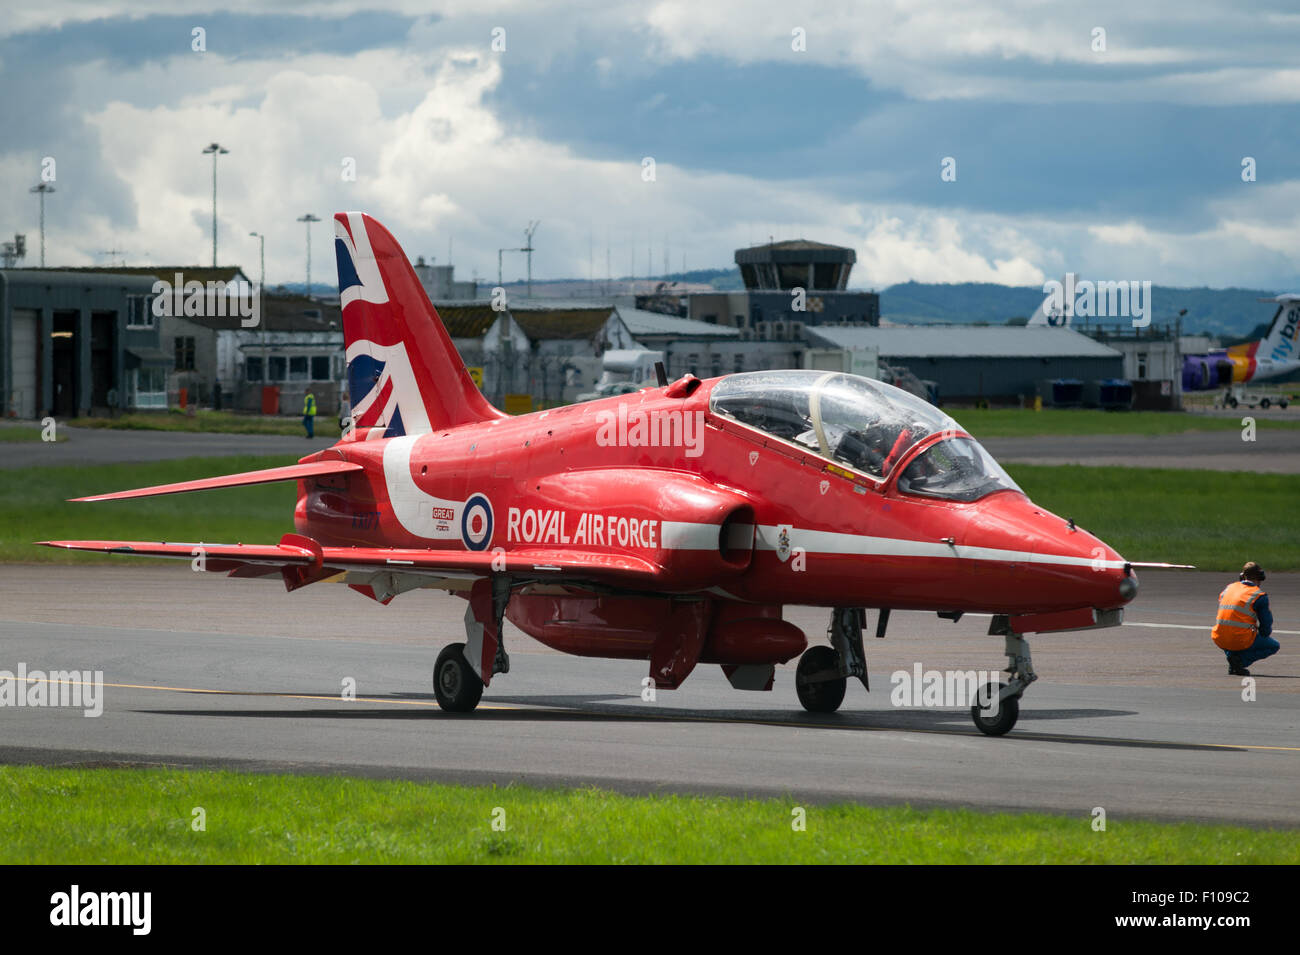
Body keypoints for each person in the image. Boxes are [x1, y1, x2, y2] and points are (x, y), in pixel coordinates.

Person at [1212, 561, 1278, 676]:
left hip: (1219, 637)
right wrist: (1263, 634)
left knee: (1233, 638)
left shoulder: (1229, 588)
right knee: (1273, 646)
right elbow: (1266, 625)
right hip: (1239, 638)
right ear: (1260, 577)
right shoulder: (1258, 595)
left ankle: (1233, 660)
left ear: (1242, 576)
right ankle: (1239, 662)